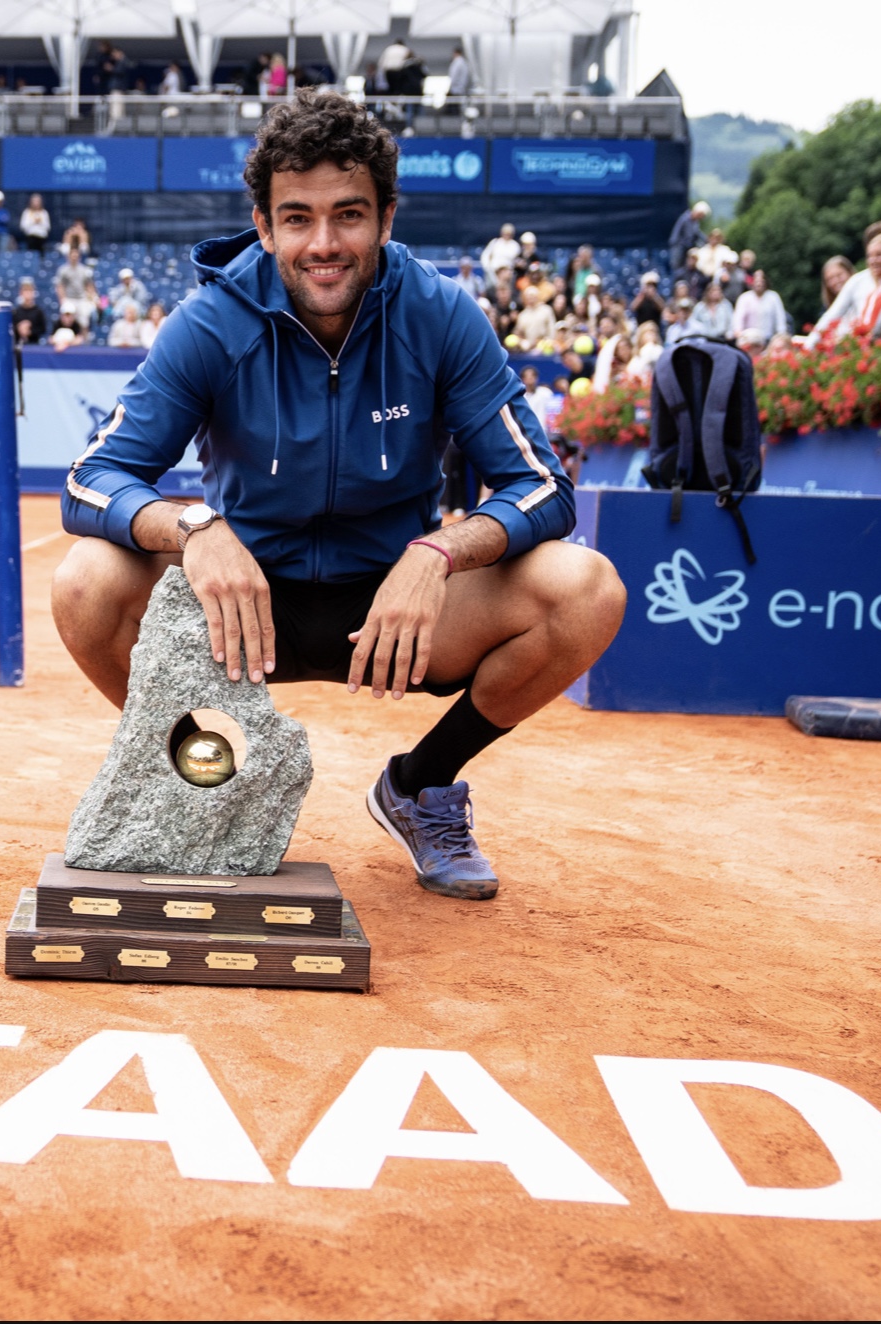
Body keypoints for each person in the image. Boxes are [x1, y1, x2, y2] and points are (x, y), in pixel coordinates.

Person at [52, 91, 621, 900]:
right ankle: (200, 769)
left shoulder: (442, 315)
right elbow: (90, 479)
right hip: (243, 614)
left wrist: (439, 552)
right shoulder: (210, 323)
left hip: (395, 612)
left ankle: (421, 786)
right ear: (264, 224)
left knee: (587, 588)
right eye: (298, 218)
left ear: (387, 218)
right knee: (87, 582)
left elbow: (543, 488)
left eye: (348, 215)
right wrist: (194, 526)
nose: (324, 243)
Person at [731, 270, 788, 346]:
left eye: (761, 281)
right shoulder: (744, 298)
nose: (759, 284)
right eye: (756, 281)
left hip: (768, 338)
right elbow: (738, 318)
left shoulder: (773, 297)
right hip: (748, 339)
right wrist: (739, 333)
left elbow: (780, 317)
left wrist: (781, 335)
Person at [668, 201, 710, 285]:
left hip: (686, 249)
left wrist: (707, 241)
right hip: (678, 248)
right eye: (702, 215)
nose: (701, 218)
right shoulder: (685, 218)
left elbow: (698, 234)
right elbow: (676, 236)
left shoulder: (695, 222)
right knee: (676, 269)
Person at [56, 246, 96, 330]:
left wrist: (92, 298)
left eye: (76, 256)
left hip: (82, 299)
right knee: (67, 321)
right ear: (68, 257)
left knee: (84, 321)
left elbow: (89, 286)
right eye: (72, 256)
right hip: (69, 299)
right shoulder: (63, 270)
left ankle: (84, 341)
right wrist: (62, 300)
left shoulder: (84, 270)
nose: (74, 258)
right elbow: (60, 286)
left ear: (79, 257)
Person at [14, 279, 48, 344]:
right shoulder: (16, 312)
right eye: (25, 290)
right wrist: (19, 328)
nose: (27, 293)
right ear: (21, 293)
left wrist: (30, 332)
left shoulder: (38, 311)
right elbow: (12, 328)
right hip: (18, 345)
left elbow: (42, 329)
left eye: (30, 291)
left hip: (34, 345)